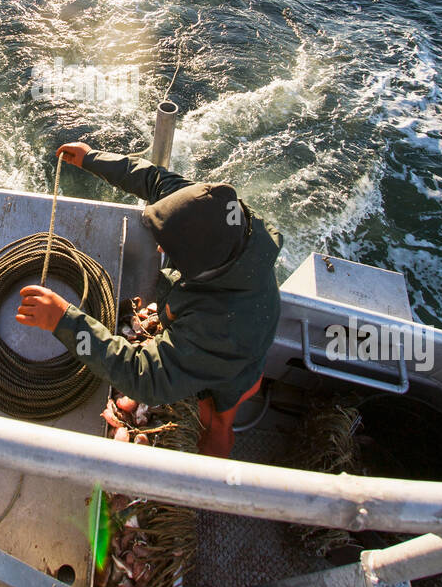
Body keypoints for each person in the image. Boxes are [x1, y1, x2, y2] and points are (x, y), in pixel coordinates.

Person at [16, 144, 282, 457]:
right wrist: (92, 159)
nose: (158, 250)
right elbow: (154, 180)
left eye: (170, 248)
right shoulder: (215, 212)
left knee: (220, 418)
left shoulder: (219, 328)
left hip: (237, 372)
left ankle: (208, 477)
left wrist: (63, 320)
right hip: (238, 328)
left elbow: (144, 377)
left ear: (203, 267)